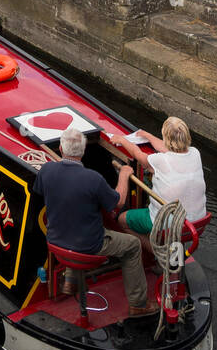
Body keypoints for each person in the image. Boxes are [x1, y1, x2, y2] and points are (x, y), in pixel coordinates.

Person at [34, 128, 159, 318]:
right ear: (83, 151)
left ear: (60, 149)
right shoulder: (93, 179)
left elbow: (44, 192)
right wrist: (124, 174)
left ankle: (71, 278)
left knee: (72, 218)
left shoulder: (46, 170)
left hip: (55, 239)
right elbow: (118, 202)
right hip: (89, 245)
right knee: (133, 245)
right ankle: (138, 303)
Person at [113, 117, 208, 247]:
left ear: (166, 139)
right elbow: (168, 149)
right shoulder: (195, 153)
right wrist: (148, 136)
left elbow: (137, 153)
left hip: (167, 227)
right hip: (196, 224)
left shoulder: (160, 161)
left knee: (122, 220)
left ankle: (156, 251)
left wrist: (121, 140)